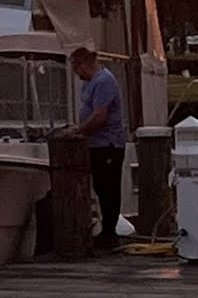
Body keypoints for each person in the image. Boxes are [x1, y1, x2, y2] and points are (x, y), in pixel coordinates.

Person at [67, 46, 126, 250]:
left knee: (108, 188)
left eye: (77, 68)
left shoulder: (103, 82)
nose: (76, 74)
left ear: (86, 64)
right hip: (96, 143)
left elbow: (100, 116)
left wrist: (79, 131)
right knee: (101, 188)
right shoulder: (90, 83)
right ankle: (105, 231)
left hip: (108, 143)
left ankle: (109, 233)